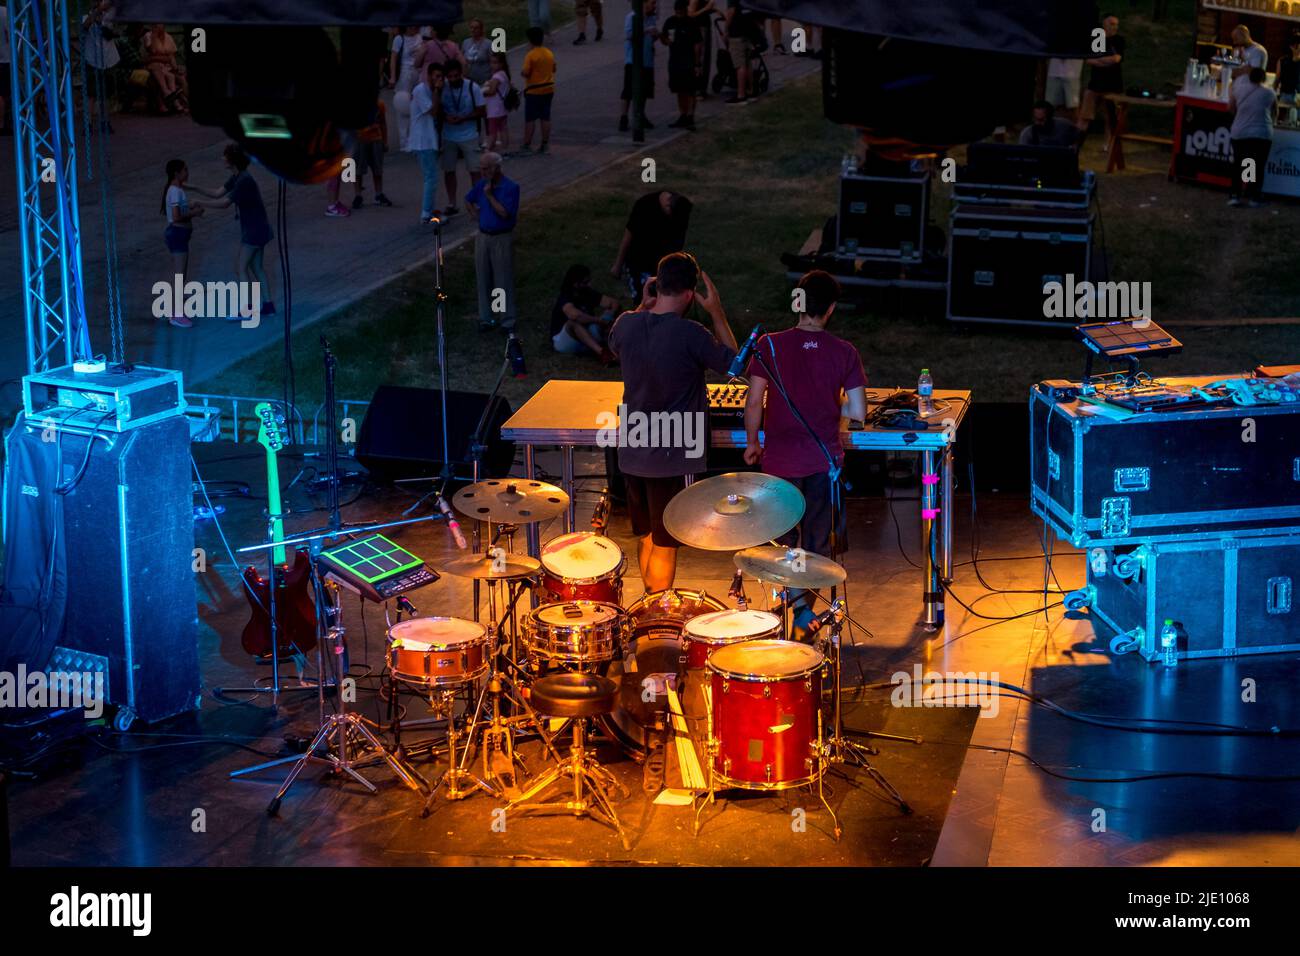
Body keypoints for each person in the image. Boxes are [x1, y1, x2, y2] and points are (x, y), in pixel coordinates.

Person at [607, 253, 738, 591]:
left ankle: (652, 608)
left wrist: (641, 305)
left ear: (657, 285)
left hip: (633, 450)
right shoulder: (692, 334)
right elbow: (736, 365)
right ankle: (658, 616)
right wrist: (717, 312)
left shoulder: (626, 324)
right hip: (675, 452)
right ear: (690, 294)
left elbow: (616, 340)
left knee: (648, 535)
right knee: (667, 541)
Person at [743, 271, 866, 623]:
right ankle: (805, 607)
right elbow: (857, 411)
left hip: (780, 462)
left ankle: (792, 604)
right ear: (830, 309)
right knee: (816, 535)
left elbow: (754, 402)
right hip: (823, 463)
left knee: (783, 537)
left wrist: (752, 442)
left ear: (798, 303)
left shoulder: (769, 344)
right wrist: (834, 403)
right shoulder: (845, 352)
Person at [190, 144, 276, 320]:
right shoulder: (238, 177)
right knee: (256, 267)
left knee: (240, 267)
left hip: (254, 229)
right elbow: (217, 193)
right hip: (258, 227)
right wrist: (193, 188)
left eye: (225, 156)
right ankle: (268, 306)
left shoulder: (244, 181)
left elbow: (224, 203)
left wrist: (199, 202)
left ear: (232, 160)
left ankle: (247, 309)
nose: (222, 158)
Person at [466, 151, 521, 331]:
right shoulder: (482, 185)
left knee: (502, 279)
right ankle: (487, 318)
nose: (482, 172)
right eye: (480, 168)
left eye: (486, 168)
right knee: (483, 278)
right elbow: (468, 199)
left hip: (501, 237)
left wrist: (489, 196)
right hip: (483, 236)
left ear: (497, 168)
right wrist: (475, 214)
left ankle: (505, 318)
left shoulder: (510, 187)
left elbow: (505, 213)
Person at [611, 189, 692, 299]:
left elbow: (679, 239)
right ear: (668, 205)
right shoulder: (644, 205)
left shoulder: (682, 209)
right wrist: (618, 265)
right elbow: (628, 236)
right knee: (642, 298)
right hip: (640, 261)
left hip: (662, 263)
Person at [160, 159, 204, 328]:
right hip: (178, 234)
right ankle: (177, 314)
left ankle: (178, 311)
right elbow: (177, 216)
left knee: (181, 276)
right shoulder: (175, 191)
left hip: (180, 235)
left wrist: (191, 207)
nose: (187, 173)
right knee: (179, 276)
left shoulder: (176, 191)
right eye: (185, 170)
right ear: (176, 173)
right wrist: (195, 213)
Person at [440, 60, 486, 215]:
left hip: (469, 134)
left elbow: (481, 110)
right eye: (450, 77)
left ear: (461, 73)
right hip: (448, 135)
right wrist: (445, 117)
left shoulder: (472, 87)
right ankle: (452, 203)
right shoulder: (442, 88)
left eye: (456, 76)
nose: (453, 79)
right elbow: (435, 109)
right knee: (449, 170)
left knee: (475, 170)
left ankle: (478, 202)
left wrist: (464, 118)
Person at [1228, 66, 1276, 208]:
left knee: (1239, 164)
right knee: (1256, 165)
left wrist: (1241, 117)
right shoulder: (1270, 92)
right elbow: (1275, 111)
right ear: (1264, 78)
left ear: (1249, 77)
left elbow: (1230, 108)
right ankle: (1253, 195)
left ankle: (1235, 195)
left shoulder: (1239, 89)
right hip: (1262, 134)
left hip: (1240, 132)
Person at [552, 265, 619, 362]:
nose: (589, 284)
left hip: (586, 336)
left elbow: (613, 303)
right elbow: (575, 316)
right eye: (585, 282)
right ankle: (602, 353)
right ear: (575, 283)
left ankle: (614, 344)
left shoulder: (587, 293)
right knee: (573, 323)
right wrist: (599, 321)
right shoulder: (566, 296)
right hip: (565, 341)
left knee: (604, 319)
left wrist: (608, 318)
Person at [1078, 14, 1124, 148]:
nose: (1114, 27)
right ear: (1104, 24)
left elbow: (1116, 59)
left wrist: (1101, 60)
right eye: (1111, 24)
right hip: (1095, 85)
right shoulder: (1098, 39)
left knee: (1110, 118)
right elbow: (1090, 60)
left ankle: (1108, 145)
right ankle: (1078, 143)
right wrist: (1106, 60)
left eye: (1116, 24)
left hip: (1113, 85)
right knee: (1085, 115)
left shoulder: (1119, 40)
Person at [408, 61, 445, 222]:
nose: (439, 79)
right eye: (436, 76)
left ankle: (430, 208)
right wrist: (437, 89)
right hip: (423, 141)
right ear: (429, 75)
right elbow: (433, 111)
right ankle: (426, 213)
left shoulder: (432, 91)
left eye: (441, 77)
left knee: (432, 177)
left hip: (431, 139)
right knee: (431, 178)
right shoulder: (420, 90)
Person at [662, 0, 704, 130]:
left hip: (689, 61)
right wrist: (666, 40)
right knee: (679, 90)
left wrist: (697, 64)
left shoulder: (691, 23)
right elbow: (664, 38)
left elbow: (698, 44)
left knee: (690, 90)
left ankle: (690, 116)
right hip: (675, 61)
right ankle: (683, 115)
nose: (679, 11)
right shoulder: (670, 22)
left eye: (681, 9)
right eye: (677, 9)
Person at [619, 0, 659, 132]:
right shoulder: (632, 17)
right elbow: (629, 35)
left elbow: (652, 36)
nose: (654, 6)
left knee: (645, 90)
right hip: (633, 60)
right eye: (652, 3)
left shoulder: (652, 17)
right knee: (628, 90)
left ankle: (641, 114)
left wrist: (655, 35)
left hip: (647, 59)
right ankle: (623, 118)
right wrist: (647, 30)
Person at [80, 2, 120, 132]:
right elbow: (85, 26)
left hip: (109, 58)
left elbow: (114, 32)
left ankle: (105, 121)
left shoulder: (110, 16)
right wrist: (96, 13)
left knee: (106, 94)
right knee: (91, 93)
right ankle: (88, 123)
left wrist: (109, 29)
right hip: (92, 58)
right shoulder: (86, 16)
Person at [348, 99, 392, 208]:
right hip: (358, 139)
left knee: (377, 168)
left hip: (376, 139)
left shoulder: (379, 103)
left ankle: (379, 194)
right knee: (357, 169)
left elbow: (383, 123)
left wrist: (385, 141)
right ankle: (358, 195)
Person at [520, 27, 556, 155]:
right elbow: (554, 68)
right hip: (549, 89)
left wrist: (523, 73)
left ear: (529, 40)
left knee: (530, 118)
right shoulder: (548, 53)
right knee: (545, 117)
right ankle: (545, 144)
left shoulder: (530, 55)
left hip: (534, 91)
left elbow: (526, 72)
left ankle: (526, 144)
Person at [390, 26, 424, 150]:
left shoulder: (419, 37)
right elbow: (393, 58)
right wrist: (393, 76)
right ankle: (404, 141)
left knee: (417, 106)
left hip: (418, 73)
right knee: (403, 106)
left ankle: (415, 138)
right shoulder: (399, 39)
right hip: (404, 74)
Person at [142, 23, 186, 113]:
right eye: (156, 25)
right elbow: (153, 51)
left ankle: (172, 98)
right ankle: (169, 99)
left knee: (172, 76)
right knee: (156, 70)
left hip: (166, 66)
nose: (158, 27)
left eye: (160, 24)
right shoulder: (148, 36)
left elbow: (171, 57)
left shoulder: (168, 37)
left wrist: (175, 68)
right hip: (154, 66)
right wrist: (154, 36)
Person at [724, 0, 758, 105]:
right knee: (748, 63)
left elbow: (731, 11)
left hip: (736, 32)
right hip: (747, 31)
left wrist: (726, 29)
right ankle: (751, 91)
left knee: (740, 65)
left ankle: (741, 95)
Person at [482, 52, 514, 154]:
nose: (492, 65)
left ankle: (488, 149)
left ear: (501, 64)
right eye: (491, 62)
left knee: (492, 131)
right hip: (502, 108)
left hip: (494, 109)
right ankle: (505, 149)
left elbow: (492, 91)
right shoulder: (504, 74)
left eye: (495, 63)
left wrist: (482, 92)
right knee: (503, 129)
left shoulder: (497, 76)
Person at [1044, 55, 1084, 123]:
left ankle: (1074, 130)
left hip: (1072, 73)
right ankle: (1054, 129)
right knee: (1051, 105)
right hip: (1054, 72)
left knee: (1073, 106)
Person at [0, 4, 12, 135]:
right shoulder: (4, 12)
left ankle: (3, 123)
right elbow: (10, 33)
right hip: (4, 58)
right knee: (4, 94)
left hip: (4, 58)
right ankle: (3, 123)